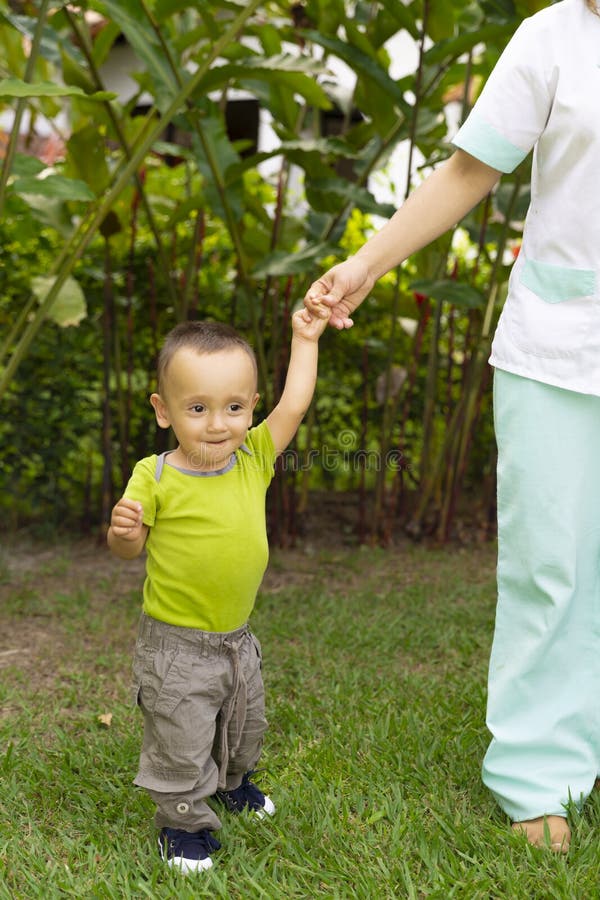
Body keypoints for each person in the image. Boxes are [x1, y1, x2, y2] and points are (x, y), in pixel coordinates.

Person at [305, 0, 600, 854]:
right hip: (556, 351)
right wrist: (364, 266)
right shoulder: (554, 35)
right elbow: (471, 170)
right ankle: (541, 772)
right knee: (551, 565)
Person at [107, 309, 328, 873]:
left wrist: (306, 337)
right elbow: (128, 552)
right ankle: (182, 824)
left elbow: (296, 402)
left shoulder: (254, 458)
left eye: (234, 407)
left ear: (252, 407)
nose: (217, 424)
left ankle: (233, 781)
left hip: (237, 637)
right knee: (180, 735)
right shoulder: (153, 476)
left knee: (242, 720)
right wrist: (124, 534)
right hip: (175, 646)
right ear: (164, 411)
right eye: (197, 408)